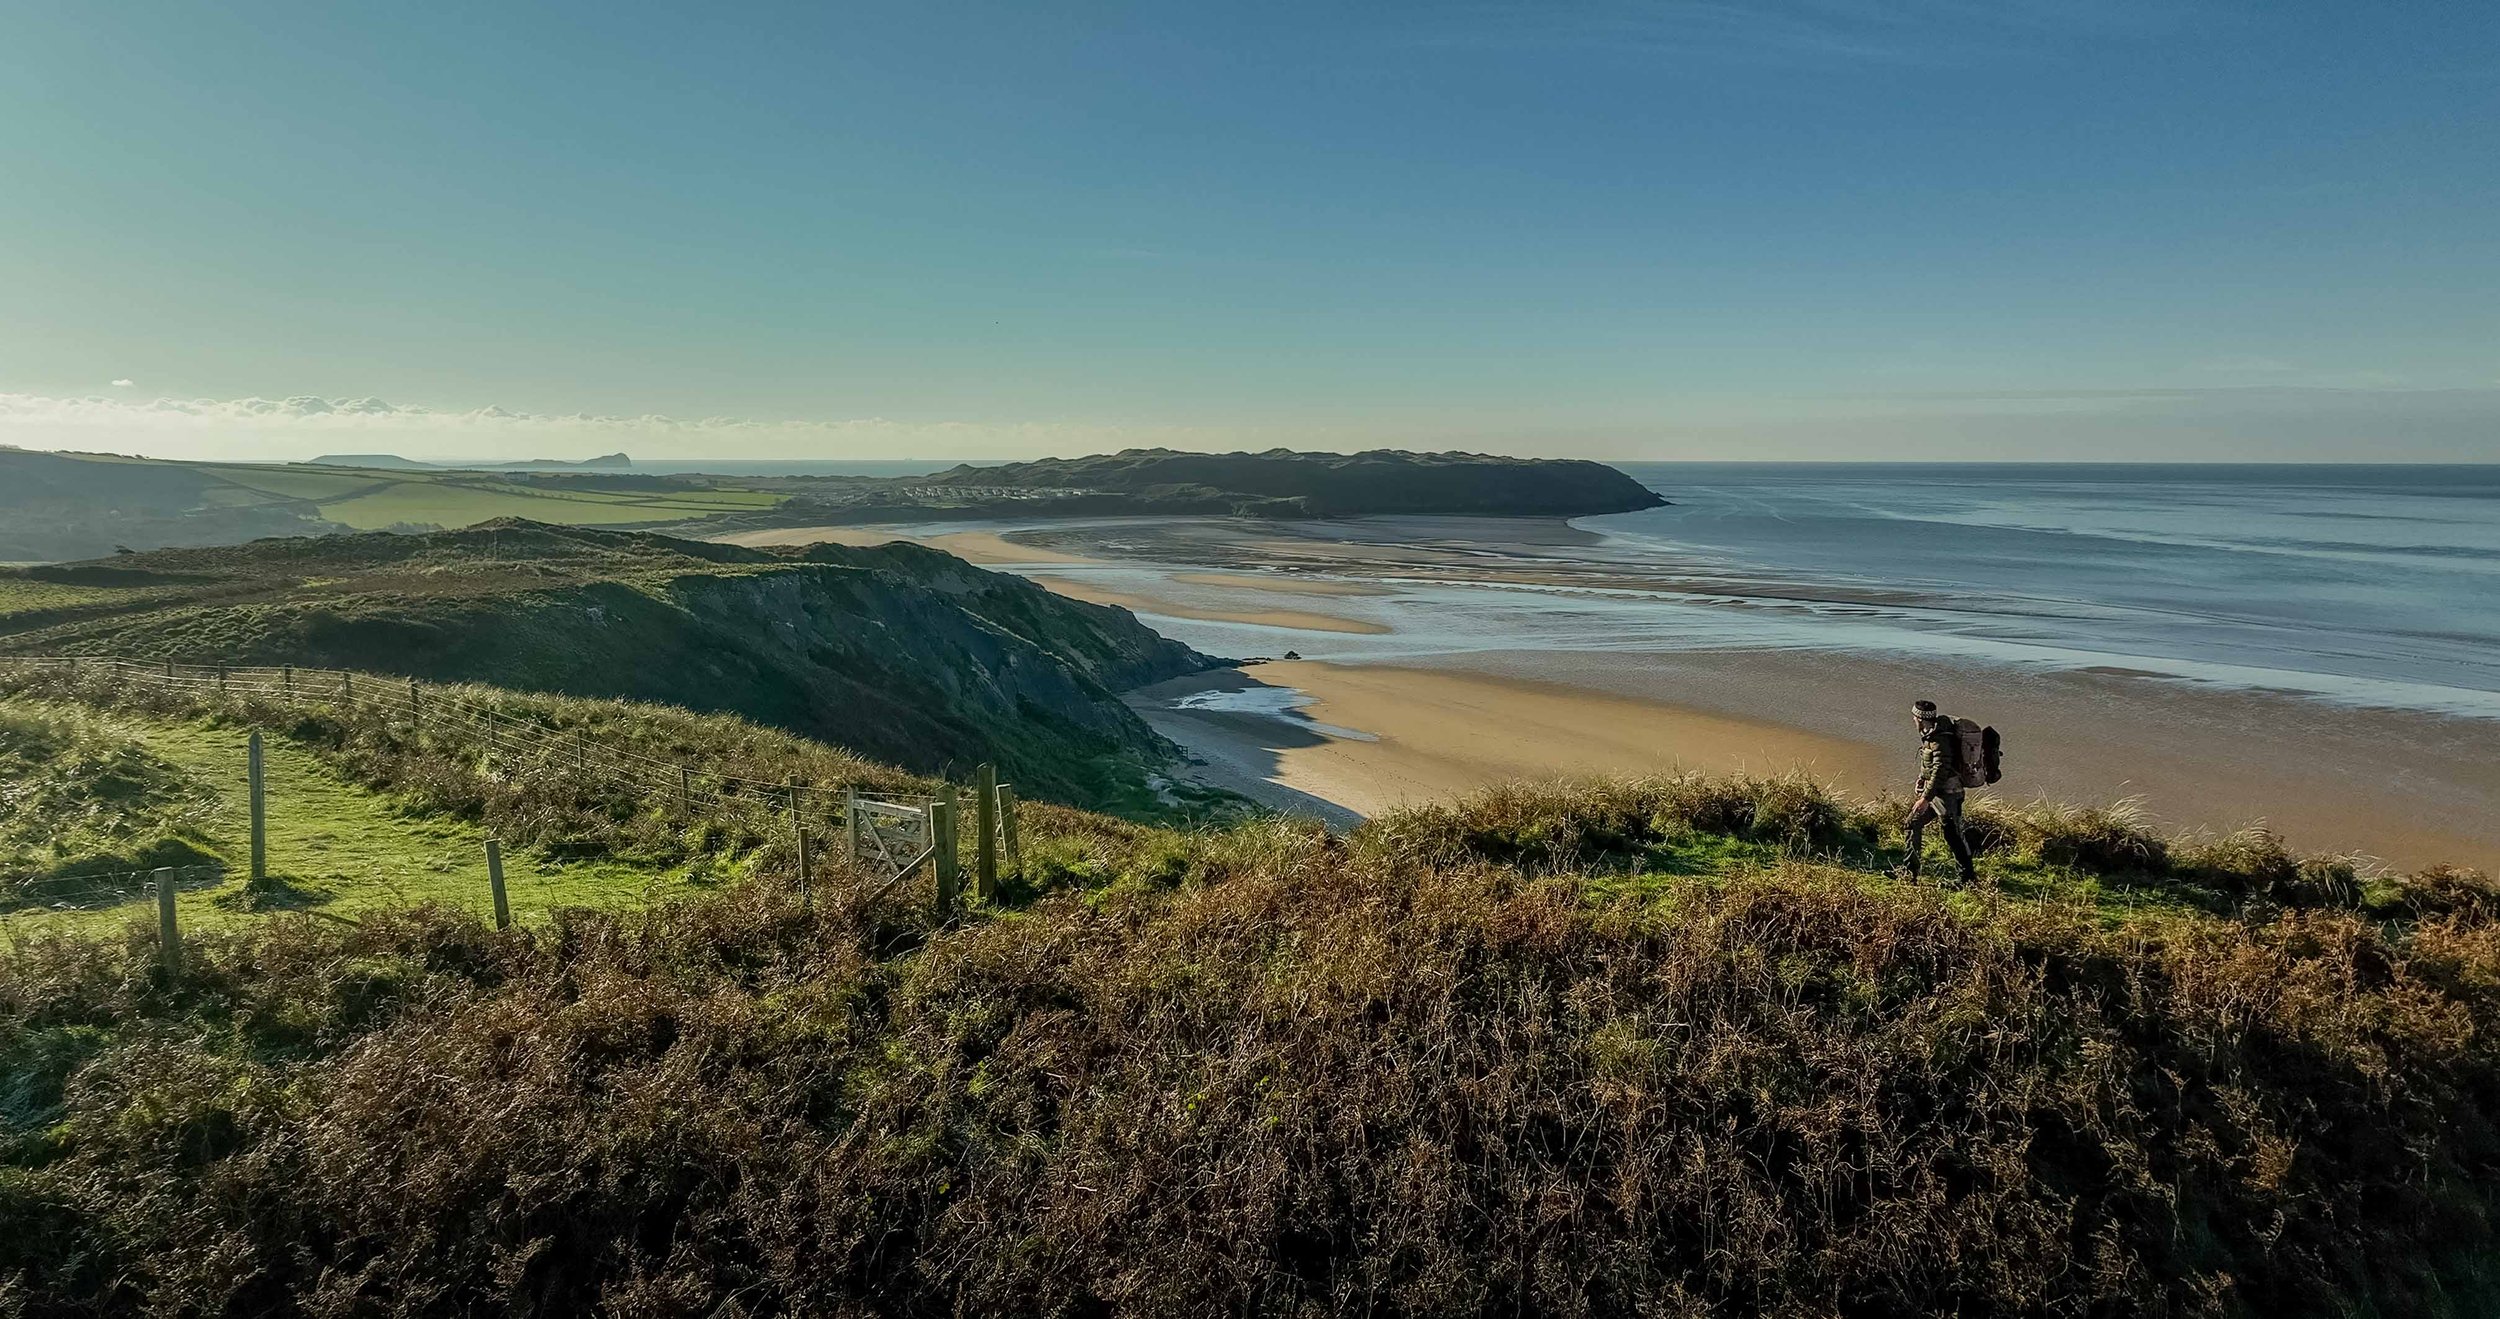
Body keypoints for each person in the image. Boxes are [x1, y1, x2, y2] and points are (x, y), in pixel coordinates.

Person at [1903, 699, 1979, 886]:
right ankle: (1908, 874)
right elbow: (1931, 764)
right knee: (1912, 823)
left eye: (1914, 717)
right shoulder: (1931, 734)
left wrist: (1925, 799)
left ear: (1919, 718)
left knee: (1952, 834)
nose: (1913, 720)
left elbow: (1940, 771)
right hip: (1939, 793)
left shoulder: (1939, 739)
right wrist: (1922, 777)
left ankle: (1967, 879)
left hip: (1949, 795)